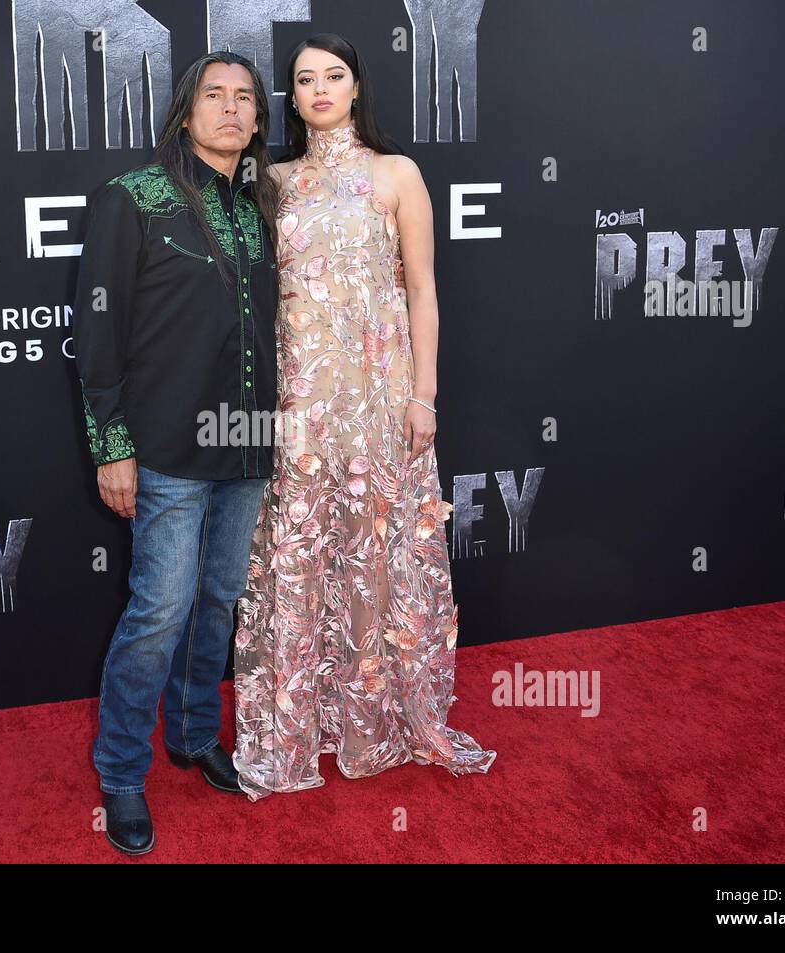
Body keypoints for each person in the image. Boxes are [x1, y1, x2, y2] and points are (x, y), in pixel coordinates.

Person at [232, 34, 497, 800]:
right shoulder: (272, 182)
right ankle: (297, 720)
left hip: (381, 396)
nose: (318, 90)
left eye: (333, 76)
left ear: (356, 87)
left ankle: (373, 716)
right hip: (298, 405)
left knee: (377, 550)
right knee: (300, 553)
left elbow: (422, 292)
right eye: (304, 80)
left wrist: (424, 396)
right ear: (291, 96)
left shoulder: (396, 173)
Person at [73, 51, 282, 853]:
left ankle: (194, 734)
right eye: (214, 97)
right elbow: (98, 332)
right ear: (186, 112)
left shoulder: (261, 206)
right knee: (159, 608)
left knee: (219, 599)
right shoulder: (135, 198)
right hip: (163, 446)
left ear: (259, 120)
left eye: (245, 100)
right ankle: (122, 772)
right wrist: (112, 444)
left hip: (250, 447)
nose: (231, 110)